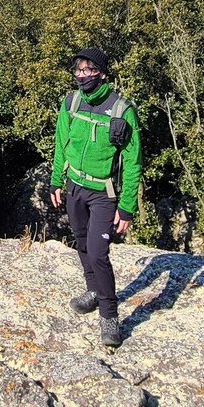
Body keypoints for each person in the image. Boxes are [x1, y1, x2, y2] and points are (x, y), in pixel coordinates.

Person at [49, 47, 142, 348]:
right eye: (79, 70)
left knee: (99, 253)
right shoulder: (71, 102)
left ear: (102, 73)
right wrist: (55, 181)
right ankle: (92, 291)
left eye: (89, 70)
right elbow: (60, 142)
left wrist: (126, 207)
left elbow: (133, 161)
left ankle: (109, 315)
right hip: (74, 185)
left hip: (104, 193)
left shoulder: (121, 110)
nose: (83, 76)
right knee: (82, 242)